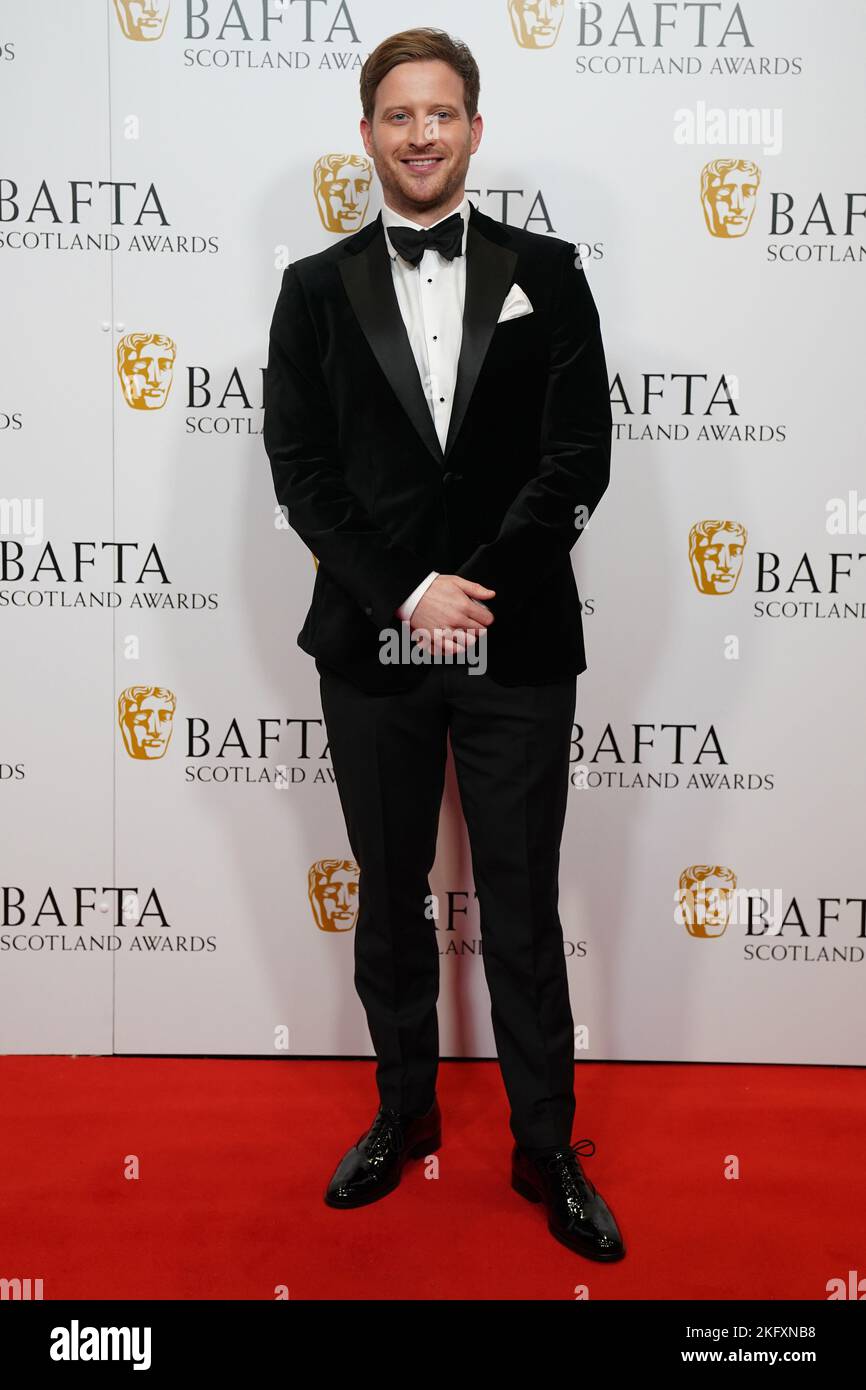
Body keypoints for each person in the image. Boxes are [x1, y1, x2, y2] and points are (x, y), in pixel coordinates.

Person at [263, 26, 624, 1261]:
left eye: (442, 113)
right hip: (372, 644)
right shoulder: (314, 289)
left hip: (516, 640)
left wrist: (476, 588)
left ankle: (544, 1150)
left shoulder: (549, 271)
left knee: (521, 907)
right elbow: (304, 476)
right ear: (366, 133)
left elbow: (579, 456)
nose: (421, 134)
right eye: (398, 114)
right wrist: (406, 592)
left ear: (474, 129)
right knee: (387, 895)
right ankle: (401, 1115)